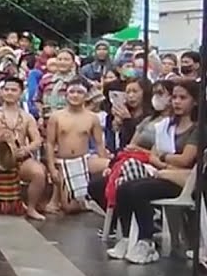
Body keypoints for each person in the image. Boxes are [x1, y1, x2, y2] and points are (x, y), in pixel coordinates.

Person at [106, 80, 199, 264]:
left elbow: (186, 159)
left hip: (183, 181)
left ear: (194, 101)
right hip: (162, 173)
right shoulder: (166, 126)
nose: (177, 102)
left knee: (140, 191)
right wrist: (166, 161)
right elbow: (154, 156)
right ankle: (126, 238)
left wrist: (164, 159)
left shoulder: (197, 128)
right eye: (174, 98)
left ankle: (147, 241)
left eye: (183, 98)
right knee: (125, 187)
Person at [0, 76, 48, 220]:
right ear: (1, 92)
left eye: (13, 90)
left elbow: (37, 140)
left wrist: (26, 149)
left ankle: (32, 208)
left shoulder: (27, 117)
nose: (9, 92)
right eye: (6, 89)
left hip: (20, 157)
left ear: (21, 93)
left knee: (39, 173)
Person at [45, 79, 109, 214]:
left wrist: (104, 166)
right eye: (72, 92)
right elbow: (50, 143)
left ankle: (100, 199)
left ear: (85, 96)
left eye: (79, 92)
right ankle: (74, 200)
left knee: (109, 164)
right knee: (69, 208)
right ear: (66, 95)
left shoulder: (92, 118)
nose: (75, 95)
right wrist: (51, 167)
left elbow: (99, 143)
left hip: (85, 159)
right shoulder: (56, 117)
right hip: (64, 161)